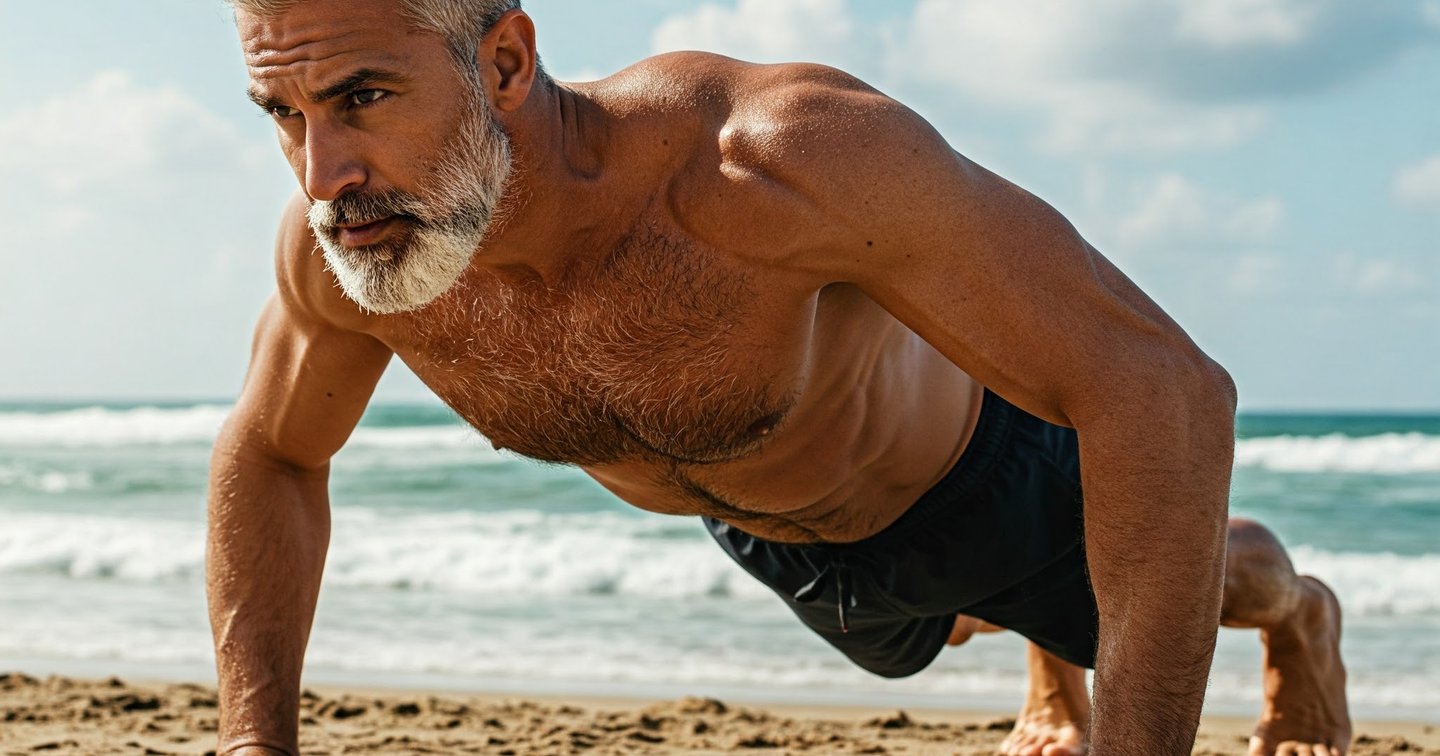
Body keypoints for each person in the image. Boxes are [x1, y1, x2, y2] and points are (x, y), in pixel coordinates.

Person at [209, 1, 1351, 754]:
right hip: (768, 529)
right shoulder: (358, 248)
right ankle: (1043, 659)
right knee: (944, 624)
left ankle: (1304, 619)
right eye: (283, 114)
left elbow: (1166, 389)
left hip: (973, 474)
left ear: (504, 61)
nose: (324, 171)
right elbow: (270, 452)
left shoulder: (773, 158)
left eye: (361, 98)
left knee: (1211, 581)